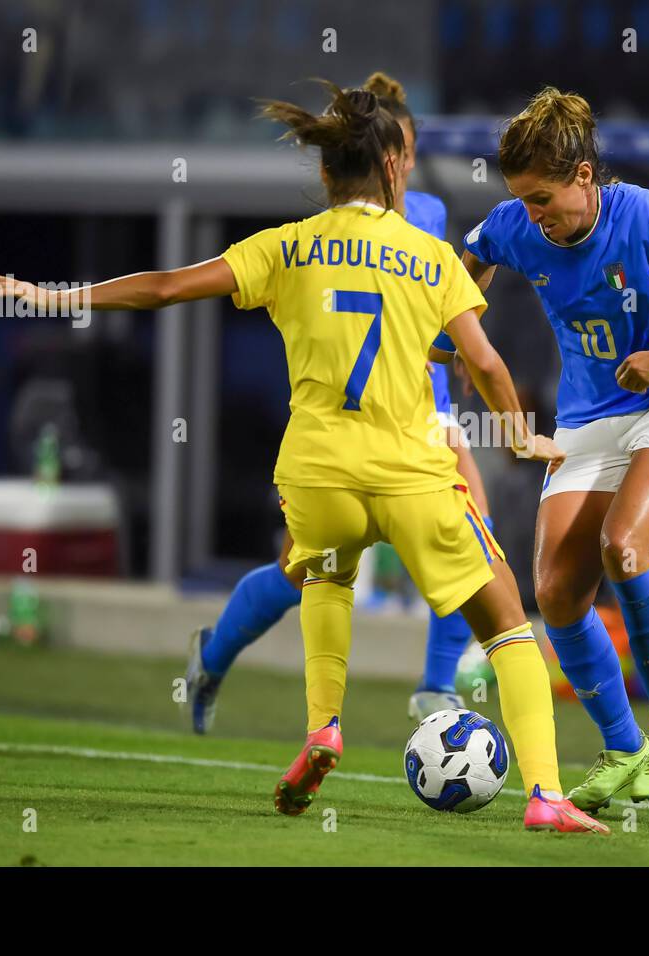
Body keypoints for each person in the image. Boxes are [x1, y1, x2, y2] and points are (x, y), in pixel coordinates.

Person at [0, 80, 607, 834]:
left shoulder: (286, 246)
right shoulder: (428, 253)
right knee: (507, 621)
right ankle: (544, 794)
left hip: (314, 472)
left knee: (328, 581)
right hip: (409, 468)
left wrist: (51, 298)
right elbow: (488, 363)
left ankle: (323, 729)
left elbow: (167, 287)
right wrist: (516, 435)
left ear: (323, 175)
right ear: (395, 169)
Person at [455, 87, 649, 812]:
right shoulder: (512, 227)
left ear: (583, 177)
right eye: (523, 201)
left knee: (624, 548)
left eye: (544, 198)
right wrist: (455, 337)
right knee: (557, 594)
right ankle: (621, 746)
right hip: (592, 415)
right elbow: (464, 269)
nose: (534, 216)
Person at [183, 72, 496, 733]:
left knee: (476, 535)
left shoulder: (432, 216)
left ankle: (436, 688)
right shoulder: (324, 233)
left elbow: (436, 312)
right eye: (395, 152)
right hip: (349, 423)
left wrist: (460, 356)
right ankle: (212, 657)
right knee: (304, 569)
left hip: (423, 410)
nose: (401, 163)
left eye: (408, 150)